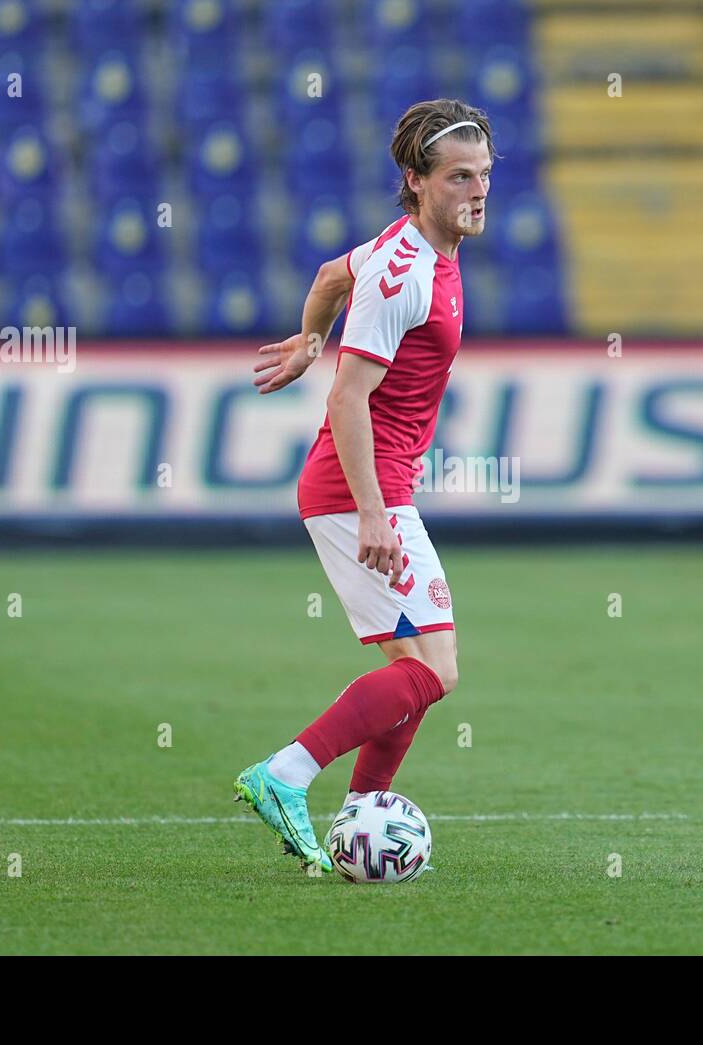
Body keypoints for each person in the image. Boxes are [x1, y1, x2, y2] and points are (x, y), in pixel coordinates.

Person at [234, 98, 494, 872]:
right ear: (415, 182)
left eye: (483, 176)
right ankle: (286, 773)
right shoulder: (406, 274)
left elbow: (327, 274)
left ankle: (359, 812)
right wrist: (376, 515)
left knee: (419, 670)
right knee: (432, 671)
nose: (476, 192)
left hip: (372, 489)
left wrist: (310, 338)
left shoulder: (411, 250)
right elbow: (348, 399)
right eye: (457, 178)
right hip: (361, 492)